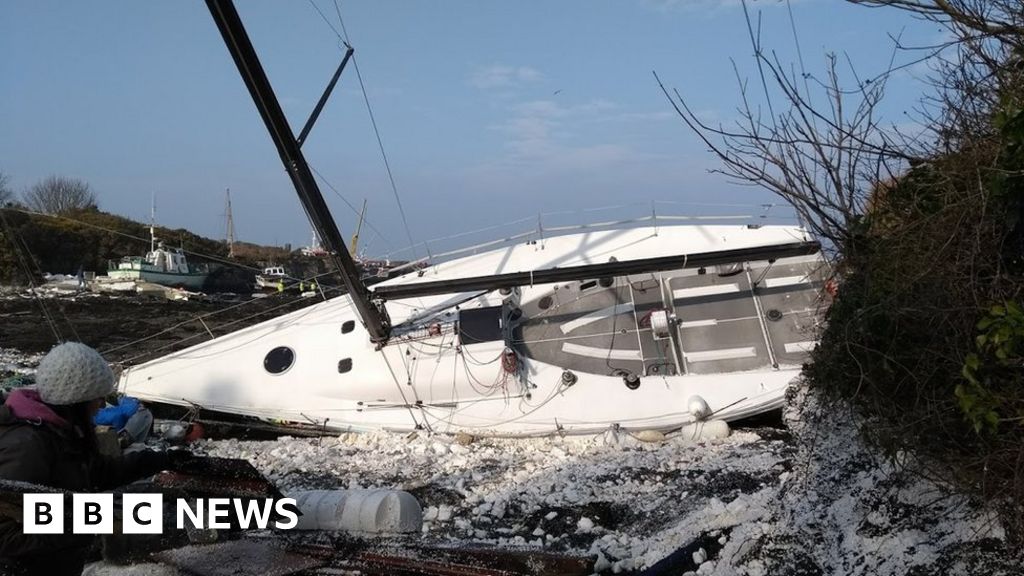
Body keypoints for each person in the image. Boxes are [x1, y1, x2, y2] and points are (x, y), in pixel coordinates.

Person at [0, 342, 174, 575]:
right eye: (97, 397)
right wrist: (86, 524)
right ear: (75, 399)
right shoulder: (28, 446)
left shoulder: (60, 432)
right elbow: (6, 533)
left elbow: (95, 473)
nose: (102, 404)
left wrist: (160, 460)